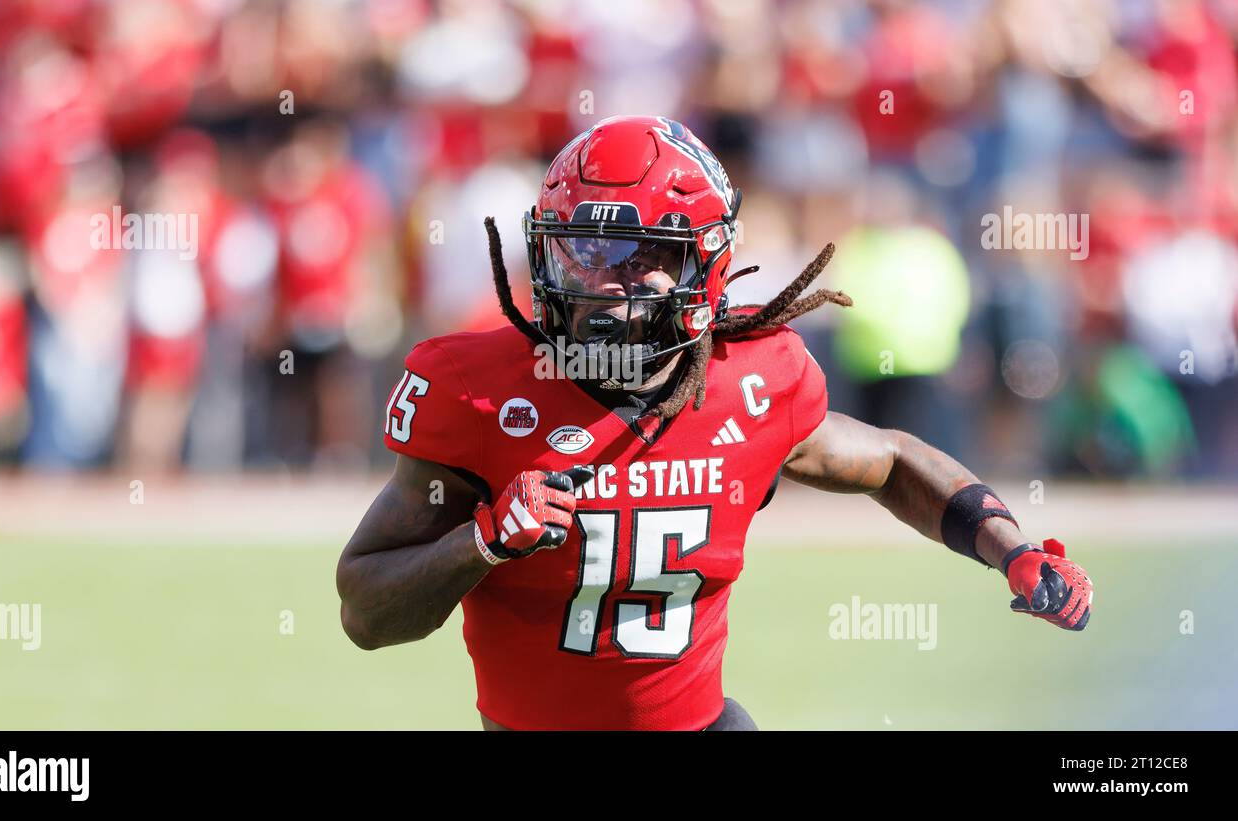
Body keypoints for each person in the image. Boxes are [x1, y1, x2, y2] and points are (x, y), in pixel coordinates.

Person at [336, 116, 1093, 731]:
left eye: (639, 260)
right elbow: (364, 612)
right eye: (583, 252)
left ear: (706, 267)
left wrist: (1012, 549)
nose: (603, 285)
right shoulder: (477, 391)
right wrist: (484, 540)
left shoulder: (752, 380)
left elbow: (891, 461)